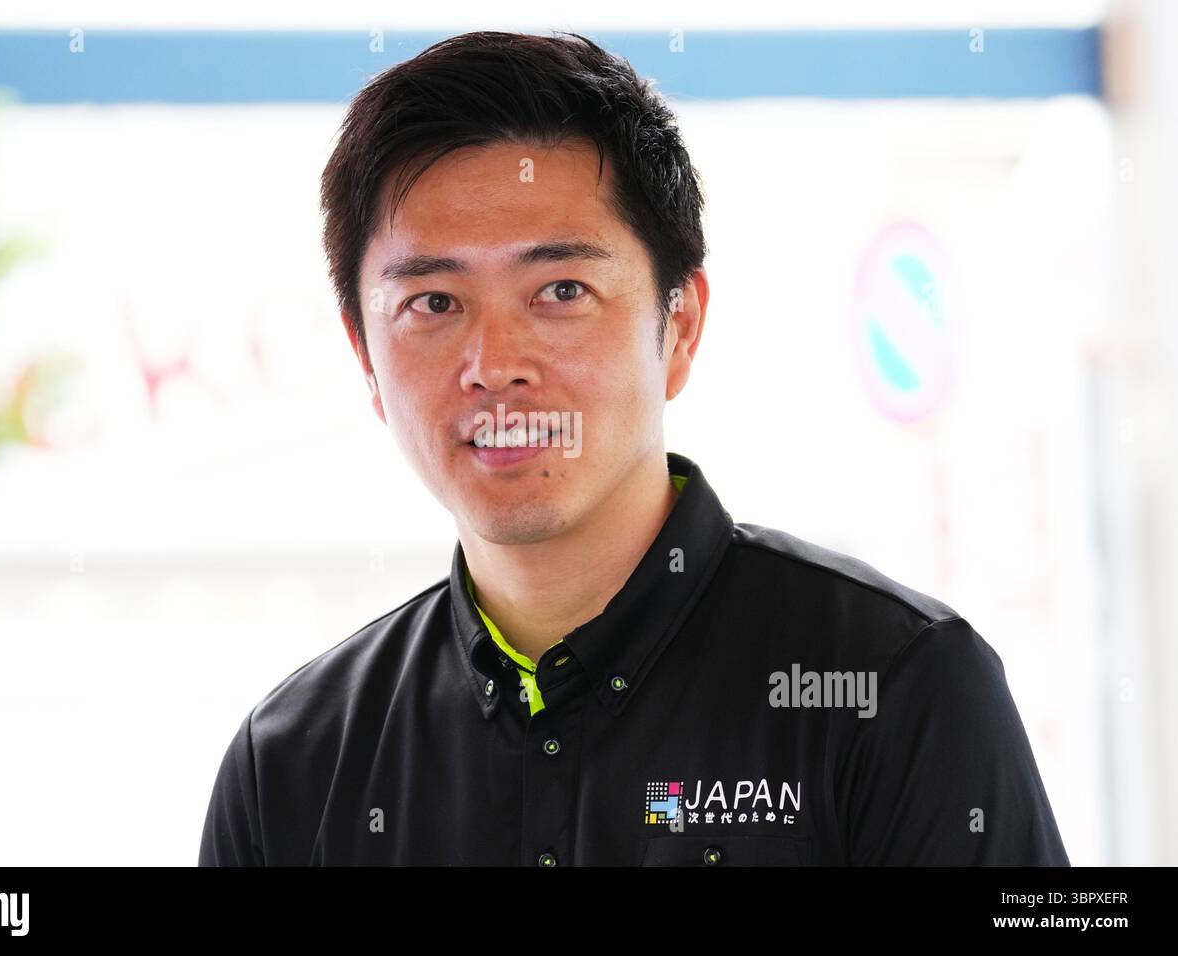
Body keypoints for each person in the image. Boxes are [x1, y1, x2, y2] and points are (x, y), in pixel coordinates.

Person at [198, 30, 1069, 866]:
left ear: (679, 326)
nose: (494, 367)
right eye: (432, 302)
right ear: (366, 360)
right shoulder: (291, 767)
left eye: (561, 290)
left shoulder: (894, 686)